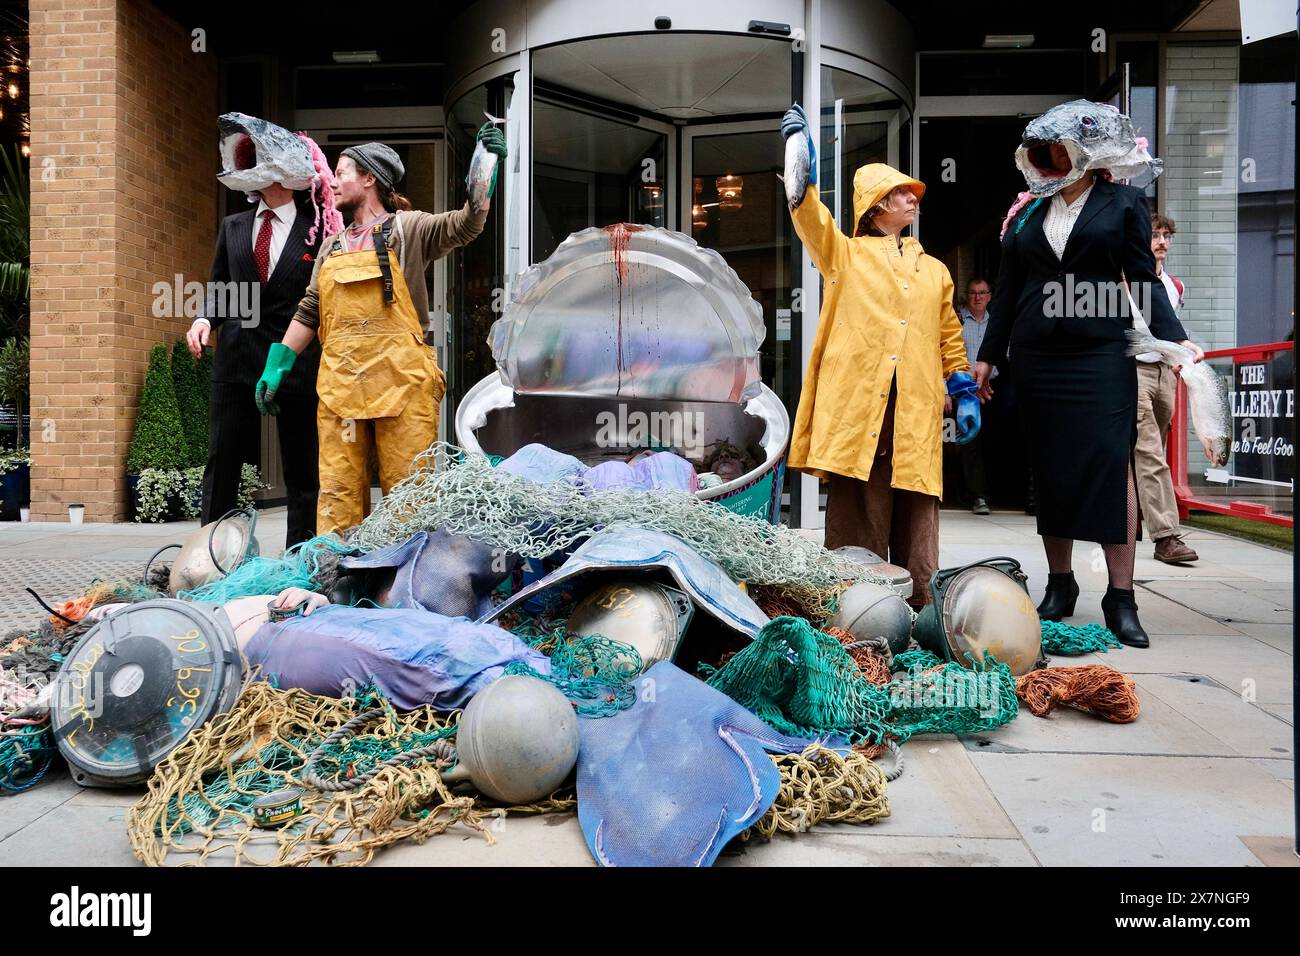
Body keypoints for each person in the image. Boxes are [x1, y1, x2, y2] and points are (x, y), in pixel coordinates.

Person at [974, 103, 1202, 647]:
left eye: (1061, 148)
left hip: (1101, 353)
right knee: (1050, 468)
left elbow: (1143, 279)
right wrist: (989, 353)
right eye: (1044, 150)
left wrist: (1173, 338)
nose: (1052, 157)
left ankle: (1120, 597)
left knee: (1108, 462)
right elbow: (1008, 289)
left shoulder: (1123, 202)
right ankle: (1060, 584)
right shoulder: (1027, 210)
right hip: (1037, 356)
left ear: (1084, 151)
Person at [780, 104, 979, 609]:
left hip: (914, 408)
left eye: (912, 193)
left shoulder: (934, 269)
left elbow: (948, 334)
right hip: (858, 408)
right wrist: (799, 166)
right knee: (856, 509)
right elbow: (810, 219)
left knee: (917, 510)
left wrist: (962, 386)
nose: (911, 199)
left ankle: (919, 609)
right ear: (873, 207)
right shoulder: (844, 255)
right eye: (898, 193)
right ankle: (855, 609)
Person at [260, 130, 506, 536]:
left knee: (410, 492)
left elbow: (466, 224)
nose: (332, 183)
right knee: (337, 492)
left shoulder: (408, 229)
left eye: (341, 174)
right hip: (342, 385)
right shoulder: (331, 247)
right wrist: (278, 364)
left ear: (370, 179)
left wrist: (484, 169)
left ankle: (402, 579)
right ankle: (334, 577)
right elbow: (310, 309)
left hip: (402, 383)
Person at [187, 165, 327, 549]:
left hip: (295, 360)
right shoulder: (233, 225)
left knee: (302, 469)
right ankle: (213, 557)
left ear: (286, 176)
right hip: (236, 357)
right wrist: (204, 319)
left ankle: (301, 557)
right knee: (222, 462)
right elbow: (221, 285)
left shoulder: (319, 227)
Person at [1134, 214, 1199, 563]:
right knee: (1149, 453)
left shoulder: (1175, 286)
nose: (1161, 241)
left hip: (1165, 371)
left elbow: (1171, 325)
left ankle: (1133, 519)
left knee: (1151, 450)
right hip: (1135, 368)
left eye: (1165, 236)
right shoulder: (1130, 279)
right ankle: (1166, 536)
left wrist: (1180, 355)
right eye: (1154, 235)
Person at [958, 277, 995, 515]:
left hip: (991, 389)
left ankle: (992, 494)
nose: (978, 297)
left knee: (993, 443)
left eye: (982, 293)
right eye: (973, 293)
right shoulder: (957, 320)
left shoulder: (997, 324)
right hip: (964, 390)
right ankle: (977, 496)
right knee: (970, 444)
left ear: (989, 296)